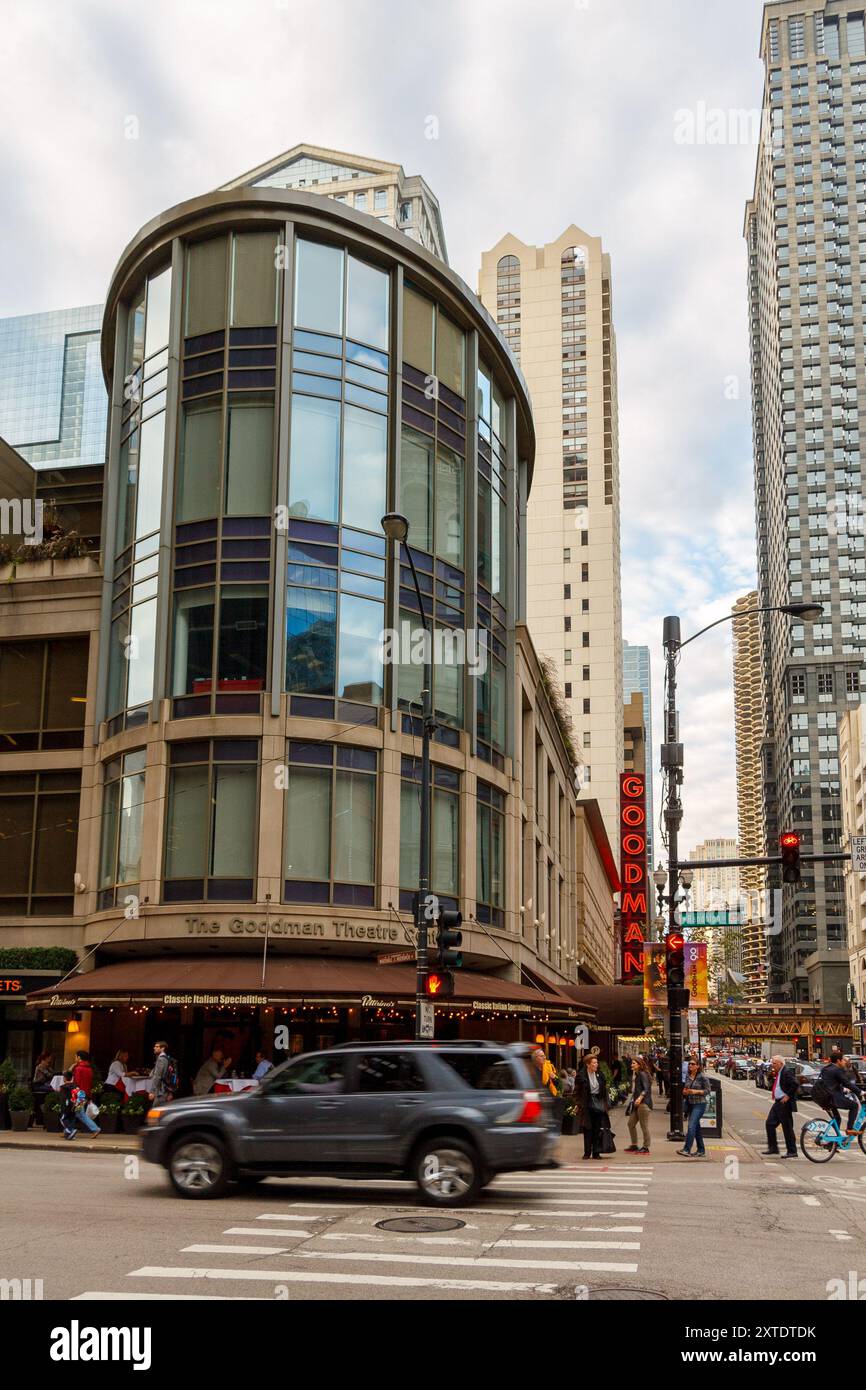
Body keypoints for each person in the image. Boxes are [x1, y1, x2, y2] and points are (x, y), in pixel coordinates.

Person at [761, 1054, 799, 1158]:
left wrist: (787, 1096)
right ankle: (773, 1148)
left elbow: (795, 1083)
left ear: (781, 1064)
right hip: (778, 1103)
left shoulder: (786, 1071)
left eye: (774, 1063)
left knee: (787, 1127)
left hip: (784, 1103)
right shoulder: (780, 1072)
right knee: (770, 1123)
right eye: (772, 1063)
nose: (772, 1065)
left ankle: (792, 1151)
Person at [819, 1048, 862, 1134]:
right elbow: (847, 1083)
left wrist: (844, 1090)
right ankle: (850, 1129)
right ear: (838, 1061)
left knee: (837, 1119)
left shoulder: (826, 1068)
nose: (844, 1062)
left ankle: (833, 1139)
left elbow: (831, 1083)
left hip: (825, 1098)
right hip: (833, 1097)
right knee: (854, 1106)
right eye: (842, 1060)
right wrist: (860, 1092)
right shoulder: (837, 1070)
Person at [575, 1054, 609, 1160]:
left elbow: (604, 1089)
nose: (596, 1064)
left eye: (597, 1062)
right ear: (588, 1064)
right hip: (587, 1104)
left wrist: (605, 1103)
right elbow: (576, 1091)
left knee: (597, 1129)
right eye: (594, 1063)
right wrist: (578, 1104)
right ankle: (587, 1152)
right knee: (587, 1129)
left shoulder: (600, 1074)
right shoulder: (581, 1076)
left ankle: (596, 1153)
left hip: (598, 1104)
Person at [677, 1057, 711, 1157]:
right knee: (696, 1128)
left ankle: (687, 1149)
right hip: (690, 1103)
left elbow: (708, 1091)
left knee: (691, 1126)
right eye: (689, 1064)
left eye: (693, 1064)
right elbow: (686, 1088)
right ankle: (701, 1150)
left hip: (699, 1104)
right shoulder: (688, 1076)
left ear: (698, 1066)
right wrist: (685, 1091)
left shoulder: (702, 1077)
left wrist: (695, 1091)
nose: (690, 1065)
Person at [59, 1069, 100, 1140]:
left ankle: (95, 1129)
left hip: (72, 1104)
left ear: (64, 1078)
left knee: (77, 1116)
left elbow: (63, 1098)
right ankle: (68, 1131)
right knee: (74, 1116)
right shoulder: (76, 1084)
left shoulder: (64, 1087)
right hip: (79, 1101)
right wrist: (87, 1098)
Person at [624, 1056, 653, 1154]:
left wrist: (640, 1098)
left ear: (639, 1065)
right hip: (637, 1104)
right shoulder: (637, 1075)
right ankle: (634, 1144)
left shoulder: (642, 1074)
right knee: (630, 1124)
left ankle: (646, 1147)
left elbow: (646, 1088)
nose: (631, 1065)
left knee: (644, 1126)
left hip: (643, 1104)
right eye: (631, 1063)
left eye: (634, 1063)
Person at [148, 1040, 172, 1105]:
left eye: (157, 1047)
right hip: (166, 1089)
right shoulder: (167, 1058)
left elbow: (157, 1076)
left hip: (161, 1091)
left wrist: (152, 1091)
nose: (154, 1048)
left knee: (156, 1109)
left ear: (162, 1048)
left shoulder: (161, 1059)